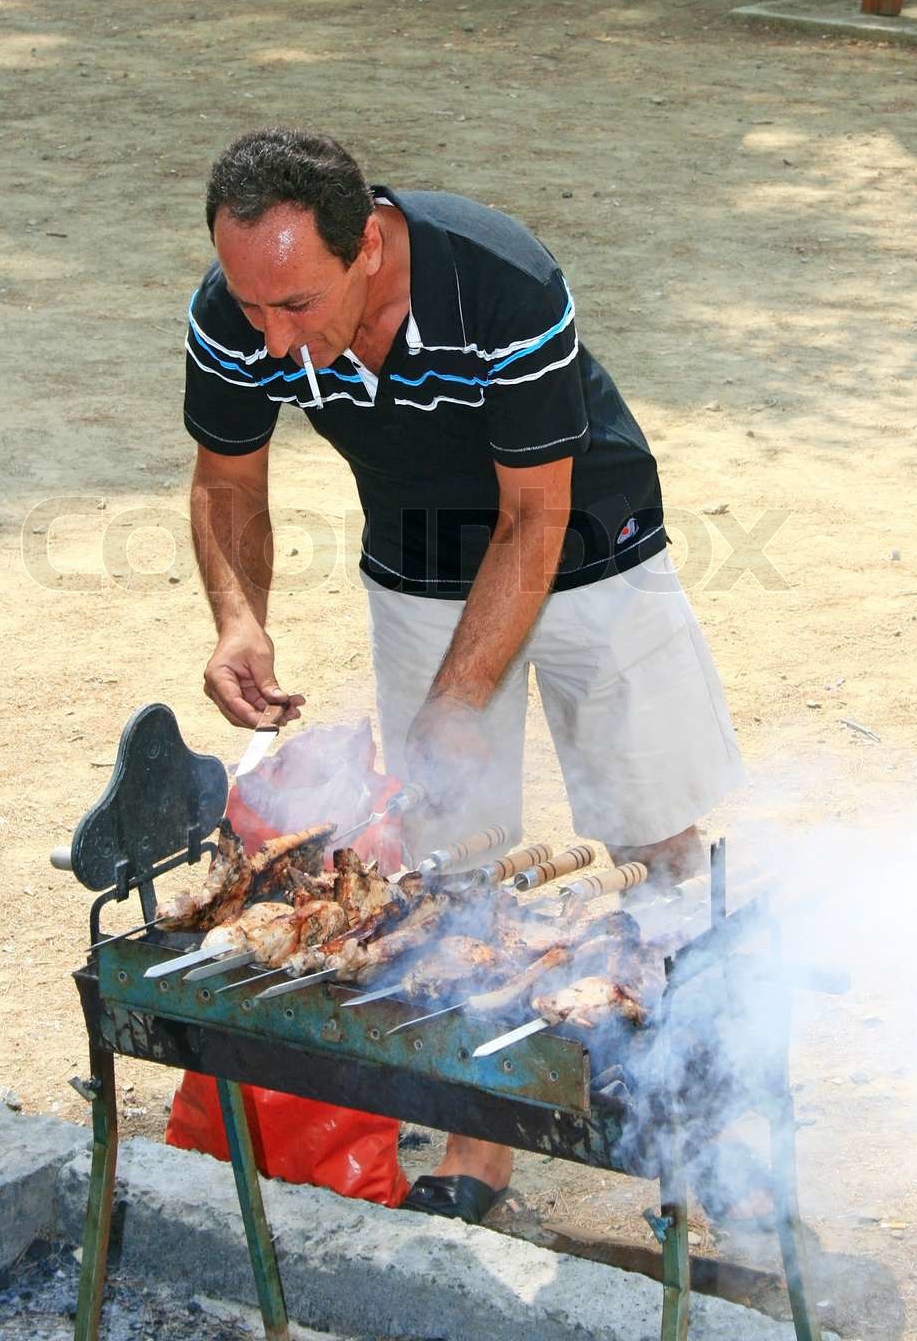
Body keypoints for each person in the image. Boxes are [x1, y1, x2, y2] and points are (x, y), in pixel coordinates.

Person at [183, 126, 743, 1224]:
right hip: (418, 557)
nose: (272, 334)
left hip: (588, 538)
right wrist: (239, 621)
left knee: (654, 833)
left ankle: (695, 1118)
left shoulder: (502, 280)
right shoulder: (241, 307)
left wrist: (458, 697)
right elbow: (225, 484)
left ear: (371, 253)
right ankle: (482, 1142)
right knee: (453, 856)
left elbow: (533, 520)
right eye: (252, 307)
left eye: (296, 306)